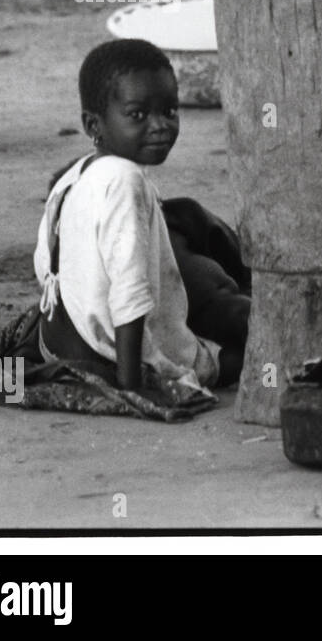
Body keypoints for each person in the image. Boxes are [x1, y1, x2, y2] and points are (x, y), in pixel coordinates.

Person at [34, 39, 248, 391]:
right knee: (251, 352)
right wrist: (132, 389)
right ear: (93, 124)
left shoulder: (74, 176)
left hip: (56, 344)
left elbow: (45, 267)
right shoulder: (124, 180)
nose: (160, 125)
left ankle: (235, 283)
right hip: (111, 357)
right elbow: (129, 294)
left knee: (180, 215)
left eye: (170, 111)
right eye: (138, 115)